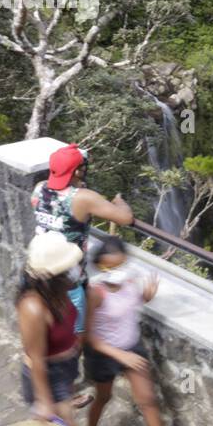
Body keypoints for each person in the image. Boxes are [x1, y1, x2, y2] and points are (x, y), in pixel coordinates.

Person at [32, 144, 134, 408]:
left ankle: (43, 381)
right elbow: (124, 218)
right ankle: (63, 391)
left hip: (39, 271)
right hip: (69, 280)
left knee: (48, 333)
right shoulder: (82, 197)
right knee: (70, 340)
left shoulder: (40, 188)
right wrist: (119, 201)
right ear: (77, 170)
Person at [16, 231, 102, 426]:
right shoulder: (33, 307)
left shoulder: (59, 292)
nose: (74, 270)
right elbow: (36, 358)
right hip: (48, 379)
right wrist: (43, 401)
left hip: (63, 372)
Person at [82, 237, 194, 426]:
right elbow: (88, 335)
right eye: (110, 267)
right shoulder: (96, 292)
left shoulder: (130, 281)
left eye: (121, 265)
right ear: (100, 266)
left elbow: (129, 304)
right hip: (104, 353)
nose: (117, 271)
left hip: (132, 346)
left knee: (148, 399)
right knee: (103, 397)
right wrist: (119, 355)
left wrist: (146, 297)